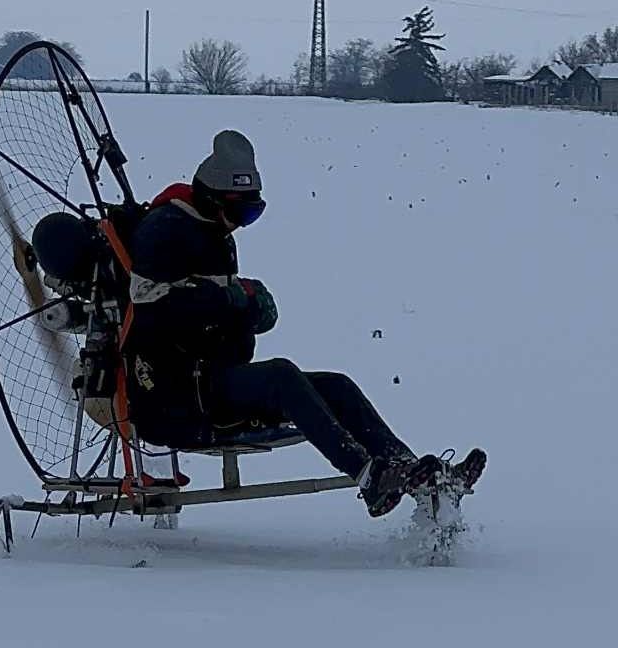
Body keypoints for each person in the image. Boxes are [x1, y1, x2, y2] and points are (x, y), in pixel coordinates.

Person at [123, 129, 485, 517]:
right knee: (282, 376)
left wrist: (246, 305)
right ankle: (369, 478)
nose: (242, 224)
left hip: (213, 378)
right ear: (212, 199)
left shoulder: (211, 231)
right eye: (240, 213)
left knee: (337, 386)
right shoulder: (164, 231)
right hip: (176, 396)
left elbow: (219, 307)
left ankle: (413, 473)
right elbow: (160, 309)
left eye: (253, 213)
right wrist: (234, 300)